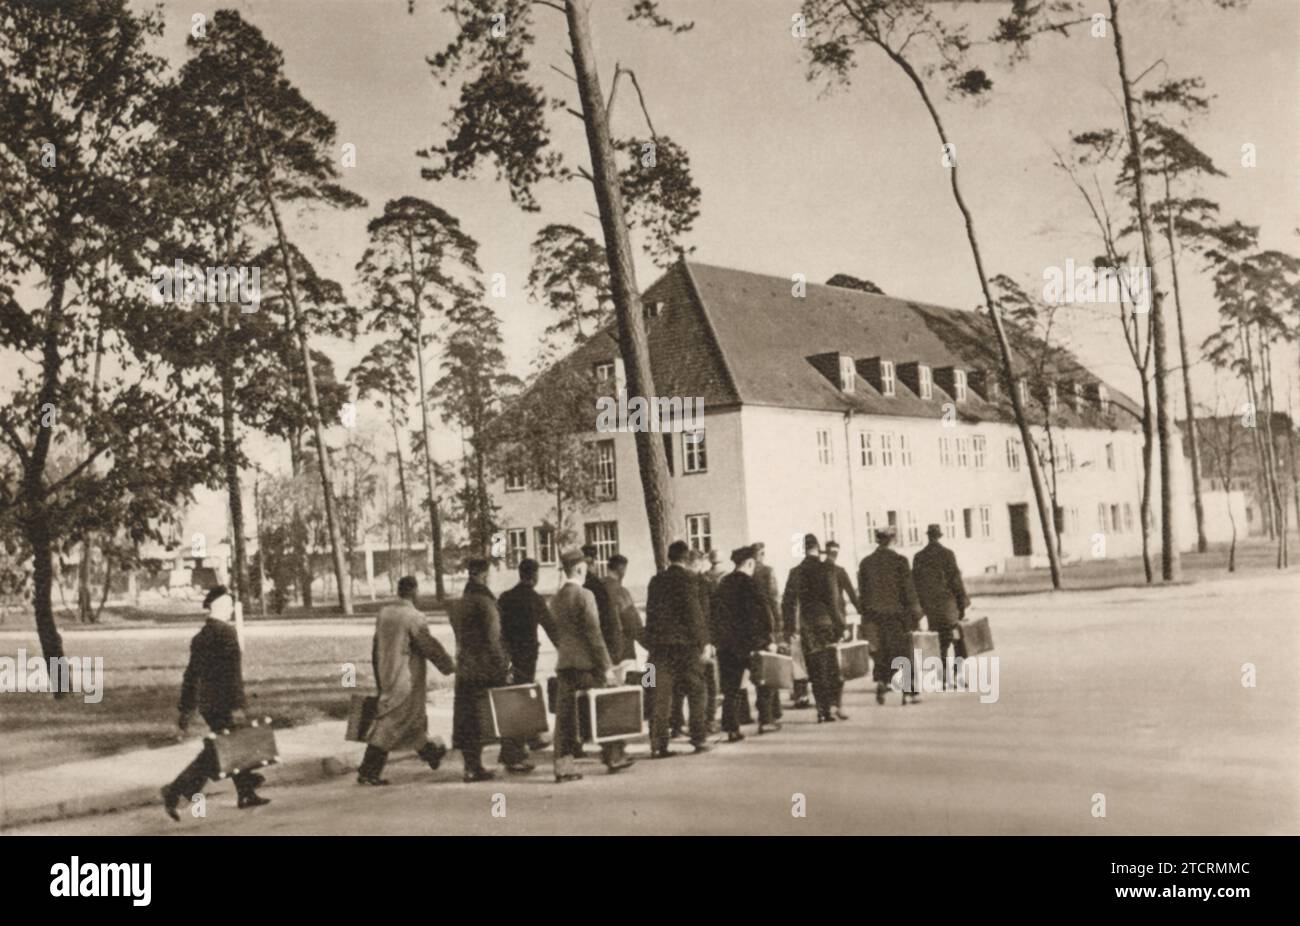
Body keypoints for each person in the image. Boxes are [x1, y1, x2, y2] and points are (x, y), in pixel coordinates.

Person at [162, 586, 269, 820]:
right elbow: (232, 675)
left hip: (207, 704)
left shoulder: (201, 636)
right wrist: (239, 705)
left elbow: (191, 675)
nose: (231, 609)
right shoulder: (226, 633)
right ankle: (175, 791)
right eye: (229, 604)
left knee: (229, 743)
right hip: (224, 701)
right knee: (219, 750)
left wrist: (186, 708)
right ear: (219, 606)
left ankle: (246, 791)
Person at [357, 575, 457, 786]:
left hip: (386, 673)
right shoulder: (414, 616)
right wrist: (448, 666)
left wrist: (378, 676)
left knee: (412, 721)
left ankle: (431, 754)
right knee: (392, 723)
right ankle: (368, 771)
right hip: (406, 678)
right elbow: (428, 644)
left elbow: (375, 648)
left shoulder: (384, 614)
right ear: (413, 591)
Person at [551, 549, 635, 781]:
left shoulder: (556, 598)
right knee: (607, 705)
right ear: (579, 568)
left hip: (565, 663)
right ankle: (614, 754)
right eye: (584, 566)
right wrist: (606, 666)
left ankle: (563, 766)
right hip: (586, 664)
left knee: (565, 718)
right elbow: (594, 633)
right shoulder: (584, 595)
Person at [449, 558, 518, 781]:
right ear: (484, 574)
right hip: (485, 667)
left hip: (465, 666)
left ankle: (471, 766)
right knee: (489, 715)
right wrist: (505, 665)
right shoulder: (486, 603)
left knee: (466, 717)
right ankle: (510, 755)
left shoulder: (461, 602)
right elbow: (493, 638)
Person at [645, 540, 712, 757]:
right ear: (685, 558)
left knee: (659, 695)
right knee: (696, 690)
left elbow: (651, 614)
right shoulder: (691, 580)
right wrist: (704, 642)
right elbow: (695, 614)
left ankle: (658, 744)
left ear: (668, 558)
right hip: (686, 647)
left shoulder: (655, 581)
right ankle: (699, 738)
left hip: (659, 647)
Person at [497, 558, 559, 765]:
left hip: (508, 654)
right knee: (523, 698)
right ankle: (513, 749)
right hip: (527, 655)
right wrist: (563, 647)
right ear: (535, 575)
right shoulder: (535, 599)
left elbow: (497, 627)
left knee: (513, 697)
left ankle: (527, 738)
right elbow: (551, 627)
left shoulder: (506, 597)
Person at [782, 534, 846, 723]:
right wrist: (841, 626)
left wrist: (789, 628)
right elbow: (833, 601)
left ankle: (822, 709)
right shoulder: (826, 569)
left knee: (816, 668)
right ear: (818, 549)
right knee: (831, 666)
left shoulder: (796, 572)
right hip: (826, 624)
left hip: (807, 626)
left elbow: (788, 602)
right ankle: (834, 705)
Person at [713, 545, 773, 743]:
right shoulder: (752, 584)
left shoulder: (723, 584)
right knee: (763, 682)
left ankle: (732, 729)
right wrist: (767, 639)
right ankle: (765, 720)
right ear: (749, 563)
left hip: (727, 646)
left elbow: (715, 615)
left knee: (731, 689)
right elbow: (763, 614)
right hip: (750, 644)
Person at [857, 527, 923, 705]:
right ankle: (909, 691)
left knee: (881, 652)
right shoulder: (900, 561)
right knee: (903, 652)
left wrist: (864, 615)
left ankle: (881, 681)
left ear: (877, 540)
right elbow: (908, 590)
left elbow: (862, 593)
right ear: (893, 540)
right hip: (897, 616)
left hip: (874, 617)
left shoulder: (865, 563)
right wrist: (916, 613)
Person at [912, 524, 971, 689]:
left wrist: (920, 608)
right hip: (948, 606)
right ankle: (957, 675)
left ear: (928, 536)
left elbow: (915, 583)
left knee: (940, 644)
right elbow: (956, 581)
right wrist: (962, 605)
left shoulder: (919, 557)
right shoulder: (947, 554)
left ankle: (943, 678)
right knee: (958, 641)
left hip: (931, 608)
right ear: (939, 536)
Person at [750, 542, 783, 733]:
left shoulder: (746, 574)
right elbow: (774, 599)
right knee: (770, 670)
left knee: (759, 672)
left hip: (750, 630)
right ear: (761, 554)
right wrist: (779, 626)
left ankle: (773, 711)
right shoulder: (767, 572)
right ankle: (767, 716)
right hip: (767, 628)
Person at [824, 540, 860, 716]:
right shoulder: (838, 571)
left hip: (821, 625)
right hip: (837, 624)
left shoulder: (817, 571)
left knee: (825, 665)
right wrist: (862, 612)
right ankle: (837, 704)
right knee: (838, 665)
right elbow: (852, 595)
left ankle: (827, 706)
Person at [602, 554, 643, 670]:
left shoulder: (596, 588)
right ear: (622, 570)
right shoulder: (621, 592)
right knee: (636, 685)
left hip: (601, 655)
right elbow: (634, 624)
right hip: (623, 654)